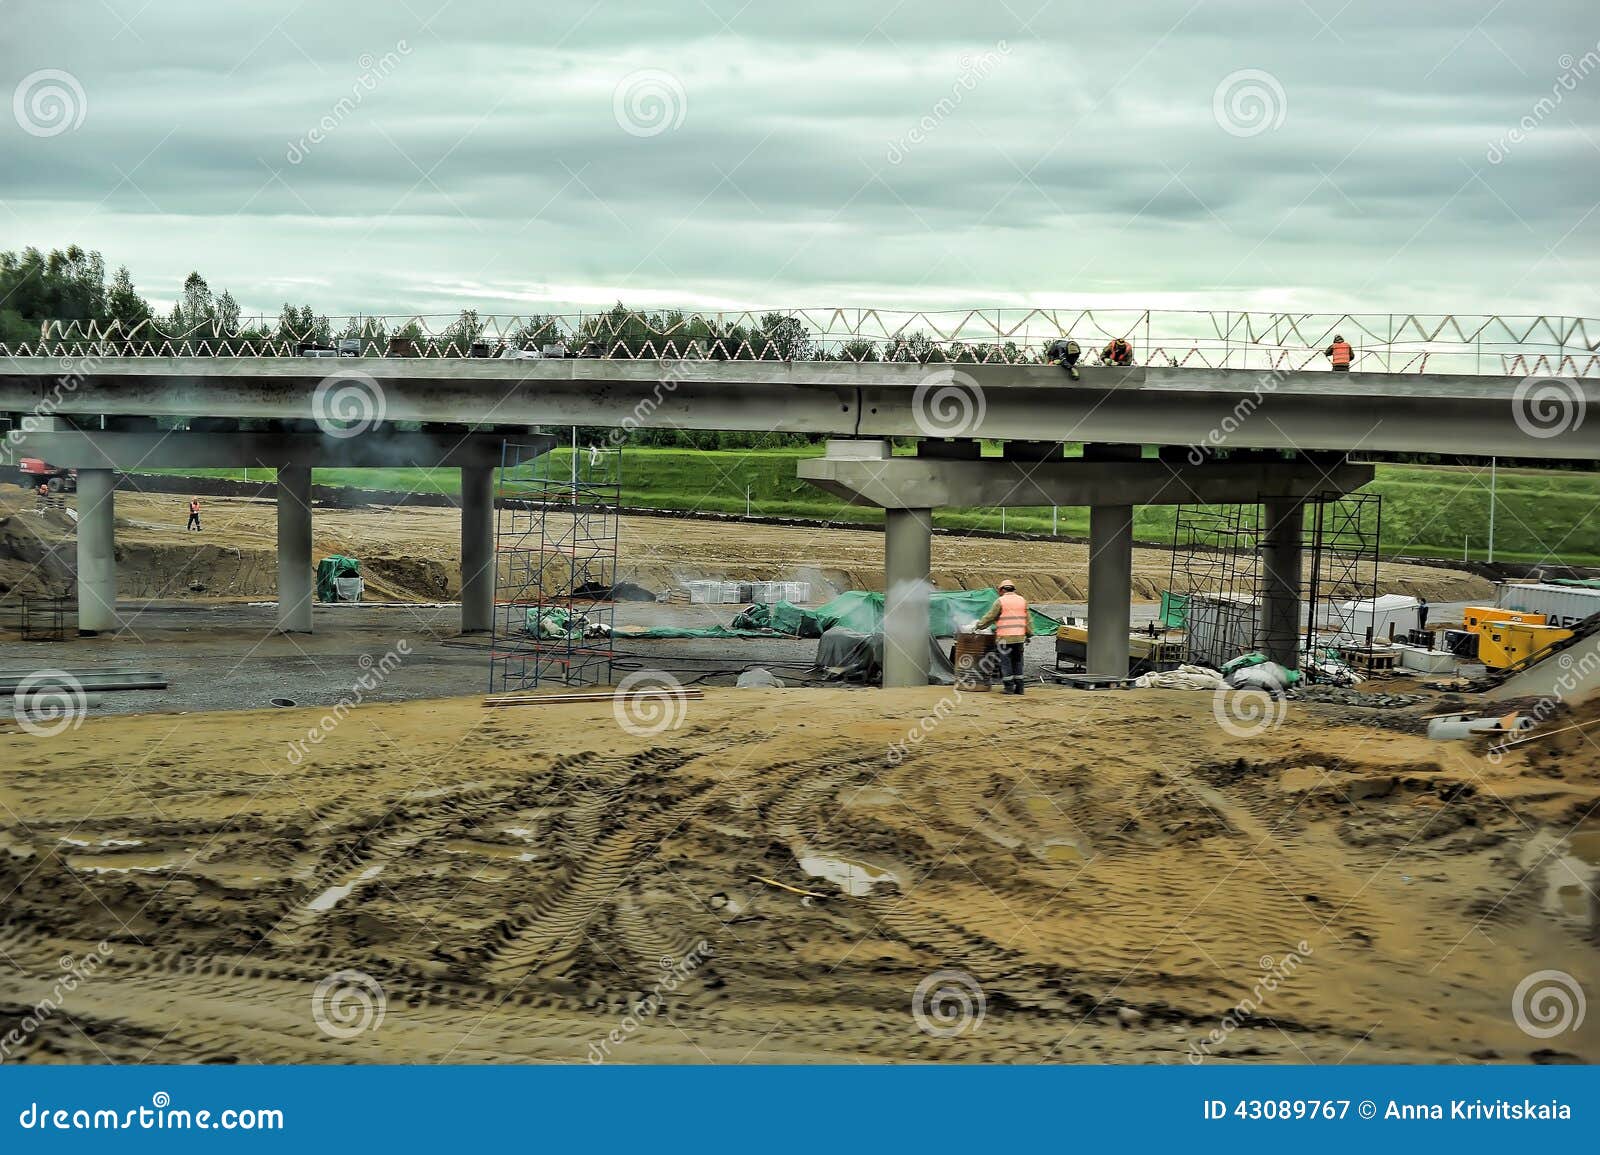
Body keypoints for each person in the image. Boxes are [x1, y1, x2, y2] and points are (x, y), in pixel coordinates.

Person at [975, 579, 1034, 695]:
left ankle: (1009, 688)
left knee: (1006, 662)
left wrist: (979, 626)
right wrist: (1029, 634)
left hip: (1005, 639)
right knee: (1018, 661)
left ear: (1002, 590)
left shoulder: (1000, 601)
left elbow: (990, 617)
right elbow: (1028, 620)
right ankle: (1020, 688)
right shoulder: (1022, 600)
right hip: (1019, 638)